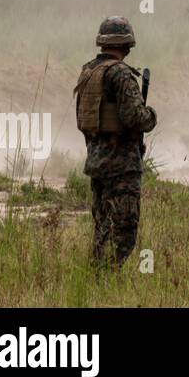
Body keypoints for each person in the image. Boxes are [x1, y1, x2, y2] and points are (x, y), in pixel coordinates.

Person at [73, 16, 157, 268]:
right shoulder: (120, 74)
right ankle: (105, 276)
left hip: (97, 161)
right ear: (127, 44)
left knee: (103, 227)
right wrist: (151, 115)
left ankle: (98, 278)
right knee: (123, 228)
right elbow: (135, 117)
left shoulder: (89, 72)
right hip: (121, 165)